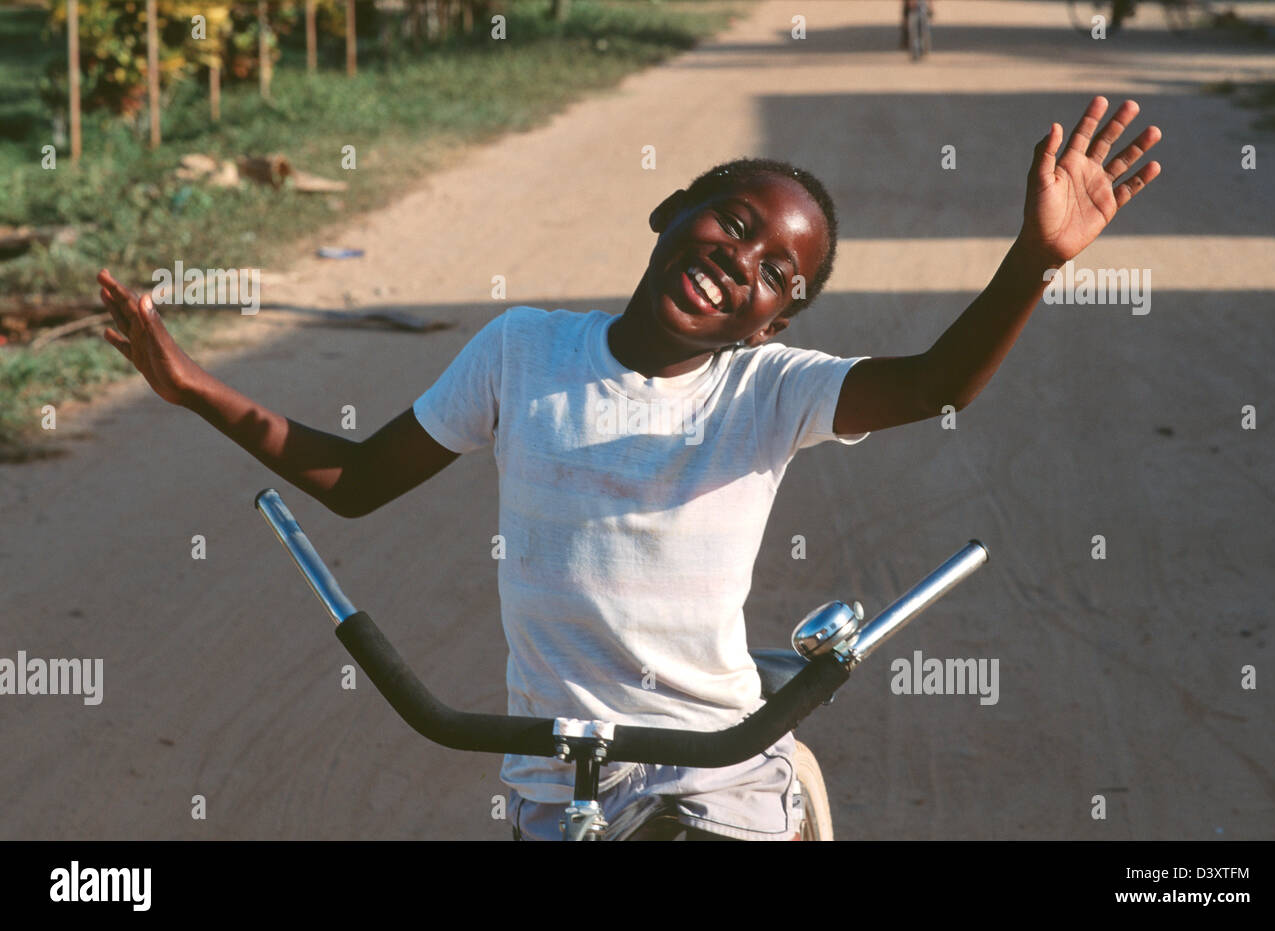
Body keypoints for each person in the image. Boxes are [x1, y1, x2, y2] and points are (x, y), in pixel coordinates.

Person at [95, 95, 1161, 841]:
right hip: (556, 774)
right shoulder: (521, 351)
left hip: (720, 759)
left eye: (773, 271)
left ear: (773, 322)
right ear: (668, 214)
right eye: (731, 223)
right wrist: (191, 386)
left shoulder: (767, 390)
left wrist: (1034, 259)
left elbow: (938, 385)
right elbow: (359, 479)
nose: (737, 260)